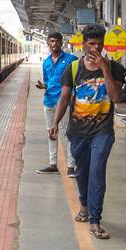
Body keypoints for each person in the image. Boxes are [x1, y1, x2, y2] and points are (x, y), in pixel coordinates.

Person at [49, 24, 126, 239]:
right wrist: (55, 122)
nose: (96, 48)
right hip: (78, 131)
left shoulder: (115, 68)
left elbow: (116, 97)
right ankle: (84, 203)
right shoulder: (73, 69)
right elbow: (64, 97)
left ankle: (95, 219)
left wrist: (105, 69)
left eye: (100, 44)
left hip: (102, 131)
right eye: (92, 44)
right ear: (83, 45)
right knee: (82, 172)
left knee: (97, 172)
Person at [35, 31, 77, 174]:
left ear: (62, 42)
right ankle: (53, 164)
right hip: (49, 101)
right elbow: (48, 81)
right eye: (52, 41)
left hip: (64, 102)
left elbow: (75, 81)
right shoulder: (46, 62)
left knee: (67, 133)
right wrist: (44, 86)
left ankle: (71, 167)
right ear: (48, 43)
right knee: (51, 133)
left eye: (57, 41)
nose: (55, 44)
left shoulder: (71, 60)